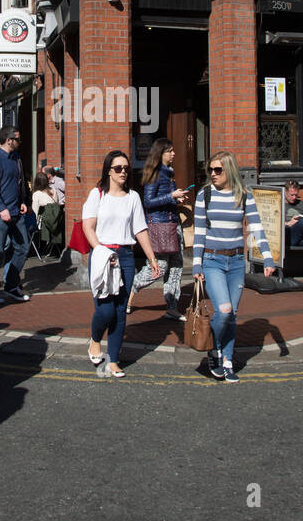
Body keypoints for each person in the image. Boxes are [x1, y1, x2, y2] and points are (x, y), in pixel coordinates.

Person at [193, 150, 274, 382]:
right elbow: (199, 233)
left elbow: (256, 227)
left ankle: (227, 359)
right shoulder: (204, 195)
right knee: (225, 310)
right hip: (212, 260)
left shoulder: (243, 195)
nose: (213, 174)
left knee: (233, 314)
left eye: (218, 170)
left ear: (229, 170)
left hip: (237, 261)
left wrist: (267, 258)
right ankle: (213, 348)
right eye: (210, 169)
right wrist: (197, 264)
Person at [83, 150, 161, 378]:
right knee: (105, 310)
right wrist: (100, 251)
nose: (123, 172)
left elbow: (140, 230)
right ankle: (95, 339)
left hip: (125, 257)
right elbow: (88, 227)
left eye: (126, 168)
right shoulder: (97, 195)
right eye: (118, 168)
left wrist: (152, 258)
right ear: (108, 170)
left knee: (119, 311)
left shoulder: (133, 197)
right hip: (103, 256)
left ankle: (114, 360)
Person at [127, 138, 192, 316]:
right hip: (161, 226)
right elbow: (148, 202)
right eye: (169, 151)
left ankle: (172, 307)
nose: (173, 154)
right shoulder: (155, 174)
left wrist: (177, 199)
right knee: (160, 266)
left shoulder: (168, 173)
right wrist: (171, 195)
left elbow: (164, 199)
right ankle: (131, 289)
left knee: (176, 267)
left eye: (173, 150)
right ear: (160, 154)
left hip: (172, 223)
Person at [0, 125, 32, 304]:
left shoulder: (16, 158)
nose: (20, 142)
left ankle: (11, 284)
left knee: (23, 247)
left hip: (16, 211)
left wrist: (23, 201)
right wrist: (2, 208)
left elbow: (19, 182)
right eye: (17, 139)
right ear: (9, 140)